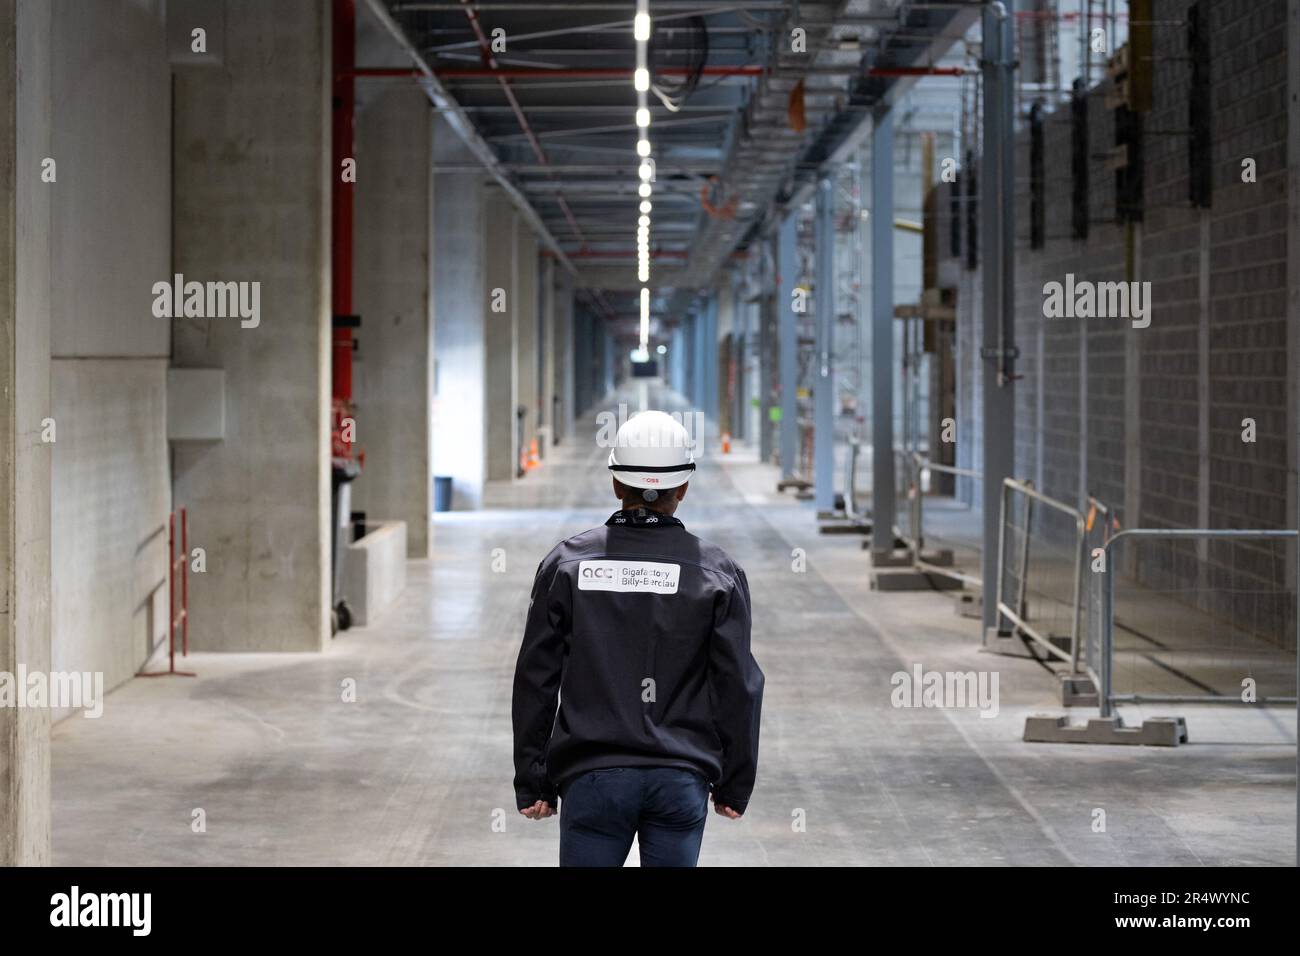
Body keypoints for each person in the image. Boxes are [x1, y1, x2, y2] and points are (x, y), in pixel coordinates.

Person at [511, 409, 765, 867]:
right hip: (680, 779)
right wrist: (735, 782)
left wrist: (534, 779)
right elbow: (738, 685)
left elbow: (536, 678)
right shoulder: (717, 574)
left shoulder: (567, 566)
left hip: (592, 778)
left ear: (615, 482)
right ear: (683, 487)